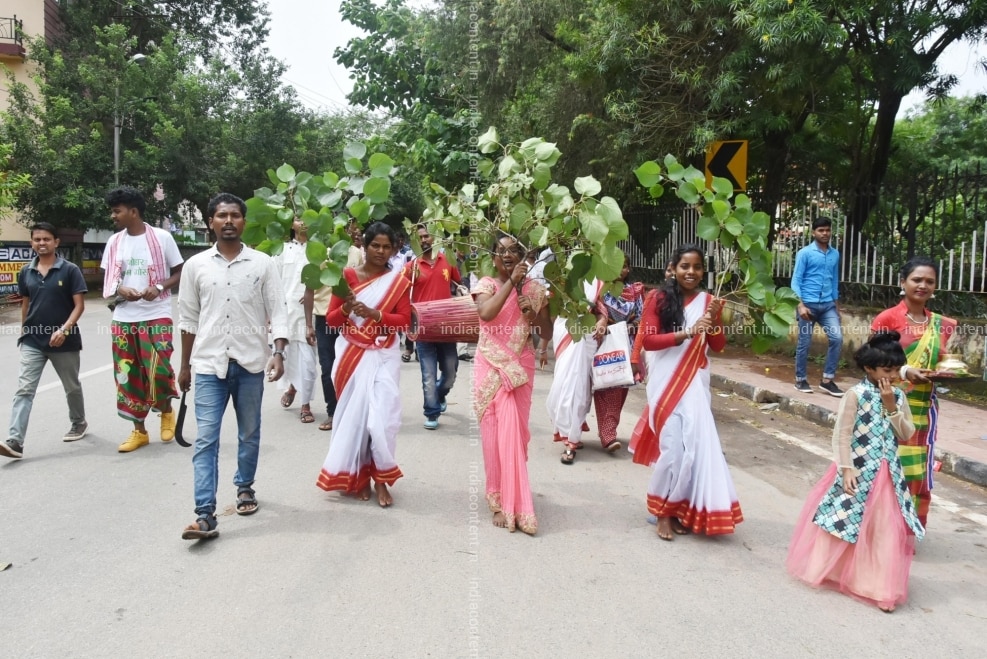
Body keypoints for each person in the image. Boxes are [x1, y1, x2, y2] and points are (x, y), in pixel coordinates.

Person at [177, 193, 289, 540]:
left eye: (235, 215)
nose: (228, 221)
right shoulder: (196, 266)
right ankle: (205, 514)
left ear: (243, 221)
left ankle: (244, 487)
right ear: (210, 222)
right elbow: (188, 318)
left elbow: (279, 310)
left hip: (251, 364)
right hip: (209, 365)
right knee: (206, 440)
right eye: (221, 215)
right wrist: (184, 367)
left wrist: (279, 351)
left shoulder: (262, 264)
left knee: (249, 433)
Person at [786, 331, 924, 612]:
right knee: (844, 519)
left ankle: (877, 585)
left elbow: (907, 433)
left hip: (887, 473)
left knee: (883, 528)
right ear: (869, 368)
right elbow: (842, 434)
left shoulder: (897, 395)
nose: (894, 375)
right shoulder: (855, 394)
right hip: (857, 468)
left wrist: (891, 407)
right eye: (887, 370)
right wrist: (845, 468)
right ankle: (834, 571)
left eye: (897, 369)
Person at [629, 244, 742, 541]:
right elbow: (650, 342)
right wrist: (688, 332)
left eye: (697, 267)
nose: (691, 272)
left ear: (703, 271)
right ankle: (662, 512)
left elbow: (717, 346)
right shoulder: (658, 298)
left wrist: (715, 318)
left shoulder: (708, 301)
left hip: (695, 383)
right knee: (673, 450)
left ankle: (678, 509)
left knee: (692, 451)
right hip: (665, 384)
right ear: (674, 268)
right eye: (685, 266)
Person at [317, 222, 411, 508]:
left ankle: (380, 479)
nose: (381, 251)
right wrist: (347, 307)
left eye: (387, 247)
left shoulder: (398, 281)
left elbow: (404, 321)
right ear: (365, 246)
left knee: (381, 420)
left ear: (394, 249)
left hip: (384, 355)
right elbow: (332, 320)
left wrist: (374, 313)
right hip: (350, 354)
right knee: (356, 419)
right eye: (375, 245)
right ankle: (357, 477)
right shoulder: (346, 276)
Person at [473, 234, 553, 534]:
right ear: (493, 257)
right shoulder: (486, 285)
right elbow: (485, 313)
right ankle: (500, 498)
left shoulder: (536, 289)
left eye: (514, 251)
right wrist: (511, 282)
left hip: (521, 366)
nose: (507, 255)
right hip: (490, 366)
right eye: (501, 251)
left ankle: (515, 493)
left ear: (524, 256)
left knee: (515, 432)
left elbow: (546, 330)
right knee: (494, 433)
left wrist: (532, 313)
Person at [870, 256, 957, 528]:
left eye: (929, 281)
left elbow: (946, 361)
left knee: (917, 469)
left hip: (923, 409)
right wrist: (906, 372)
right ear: (903, 283)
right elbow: (871, 361)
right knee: (884, 466)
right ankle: (878, 525)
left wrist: (953, 371)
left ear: (935, 286)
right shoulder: (888, 318)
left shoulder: (943, 324)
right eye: (916, 279)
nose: (923, 285)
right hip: (888, 402)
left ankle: (908, 527)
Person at [101, 186, 184, 452]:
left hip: (156, 314)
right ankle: (139, 431)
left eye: (117, 211)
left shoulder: (161, 237)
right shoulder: (114, 242)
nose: (113, 216)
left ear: (133, 212)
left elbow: (180, 271)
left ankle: (166, 410)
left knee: (158, 369)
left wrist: (159, 287)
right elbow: (110, 280)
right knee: (127, 374)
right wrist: (120, 289)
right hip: (124, 317)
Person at [1, 223, 88, 460]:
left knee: (71, 386)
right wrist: (23, 331)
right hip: (33, 340)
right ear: (32, 242)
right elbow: (25, 303)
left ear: (56, 242)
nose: (42, 243)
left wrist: (64, 330)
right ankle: (15, 441)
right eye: (37, 239)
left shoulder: (69, 270)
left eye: (46, 239)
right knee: (24, 389)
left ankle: (78, 422)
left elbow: (79, 305)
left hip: (64, 340)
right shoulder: (25, 272)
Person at [302, 223, 367, 432]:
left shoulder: (357, 254)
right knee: (328, 367)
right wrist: (308, 325)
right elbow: (309, 291)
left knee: (353, 366)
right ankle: (333, 412)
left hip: (351, 319)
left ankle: (354, 411)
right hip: (324, 320)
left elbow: (365, 284)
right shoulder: (319, 253)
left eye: (349, 227)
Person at [404, 224, 462, 430]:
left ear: (435, 238)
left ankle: (439, 394)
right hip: (423, 329)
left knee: (451, 371)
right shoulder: (411, 266)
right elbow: (402, 295)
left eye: (427, 236)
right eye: (419, 237)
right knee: (428, 374)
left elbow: (459, 284)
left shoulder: (447, 260)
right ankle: (431, 411)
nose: (424, 240)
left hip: (447, 327)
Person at [546, 279, 607, 464]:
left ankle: (571, 440)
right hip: (565, 331)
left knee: (579, 387)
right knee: (563, 385)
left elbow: (600, 308)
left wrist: (602, 320)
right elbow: (551, 309)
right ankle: (569, 432)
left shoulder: (597, 278)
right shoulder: (561, 274)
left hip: (588, 335)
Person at [593, 256, 645, 453]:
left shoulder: (636, 291)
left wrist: (625, 327)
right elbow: (593, 313)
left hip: (626, 344)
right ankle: (606, 432)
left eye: (624, 266)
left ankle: (609, 432)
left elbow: (641, 318)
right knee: (602, 385)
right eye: (617, 265)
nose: (621, 270)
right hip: (602, 343)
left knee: (619, 386)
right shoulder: (600, 289)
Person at [792, 216, 844, 396]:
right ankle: (800, 380)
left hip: (828, 305)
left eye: (827, 230)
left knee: (837, 338)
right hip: (808, 304)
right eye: (821, 230)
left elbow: (835, 280)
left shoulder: (835, 254)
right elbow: (796, 281)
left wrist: (837, 308)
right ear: (814, 232)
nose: (825, 233)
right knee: (804, 343)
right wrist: (800, 305)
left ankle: (827, 380)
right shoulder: (804, 253)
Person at [274, 218, 317, 424]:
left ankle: (306, 404)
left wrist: (313, 293)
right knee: (287, 357)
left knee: (308, 362)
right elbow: (272, 283)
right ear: (291, 225)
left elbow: (327, 280)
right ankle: (291, 387)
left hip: (310, 313)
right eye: (298, 218)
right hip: (285, 312)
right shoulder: (282, 249)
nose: (303, 222)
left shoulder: (319, 250)